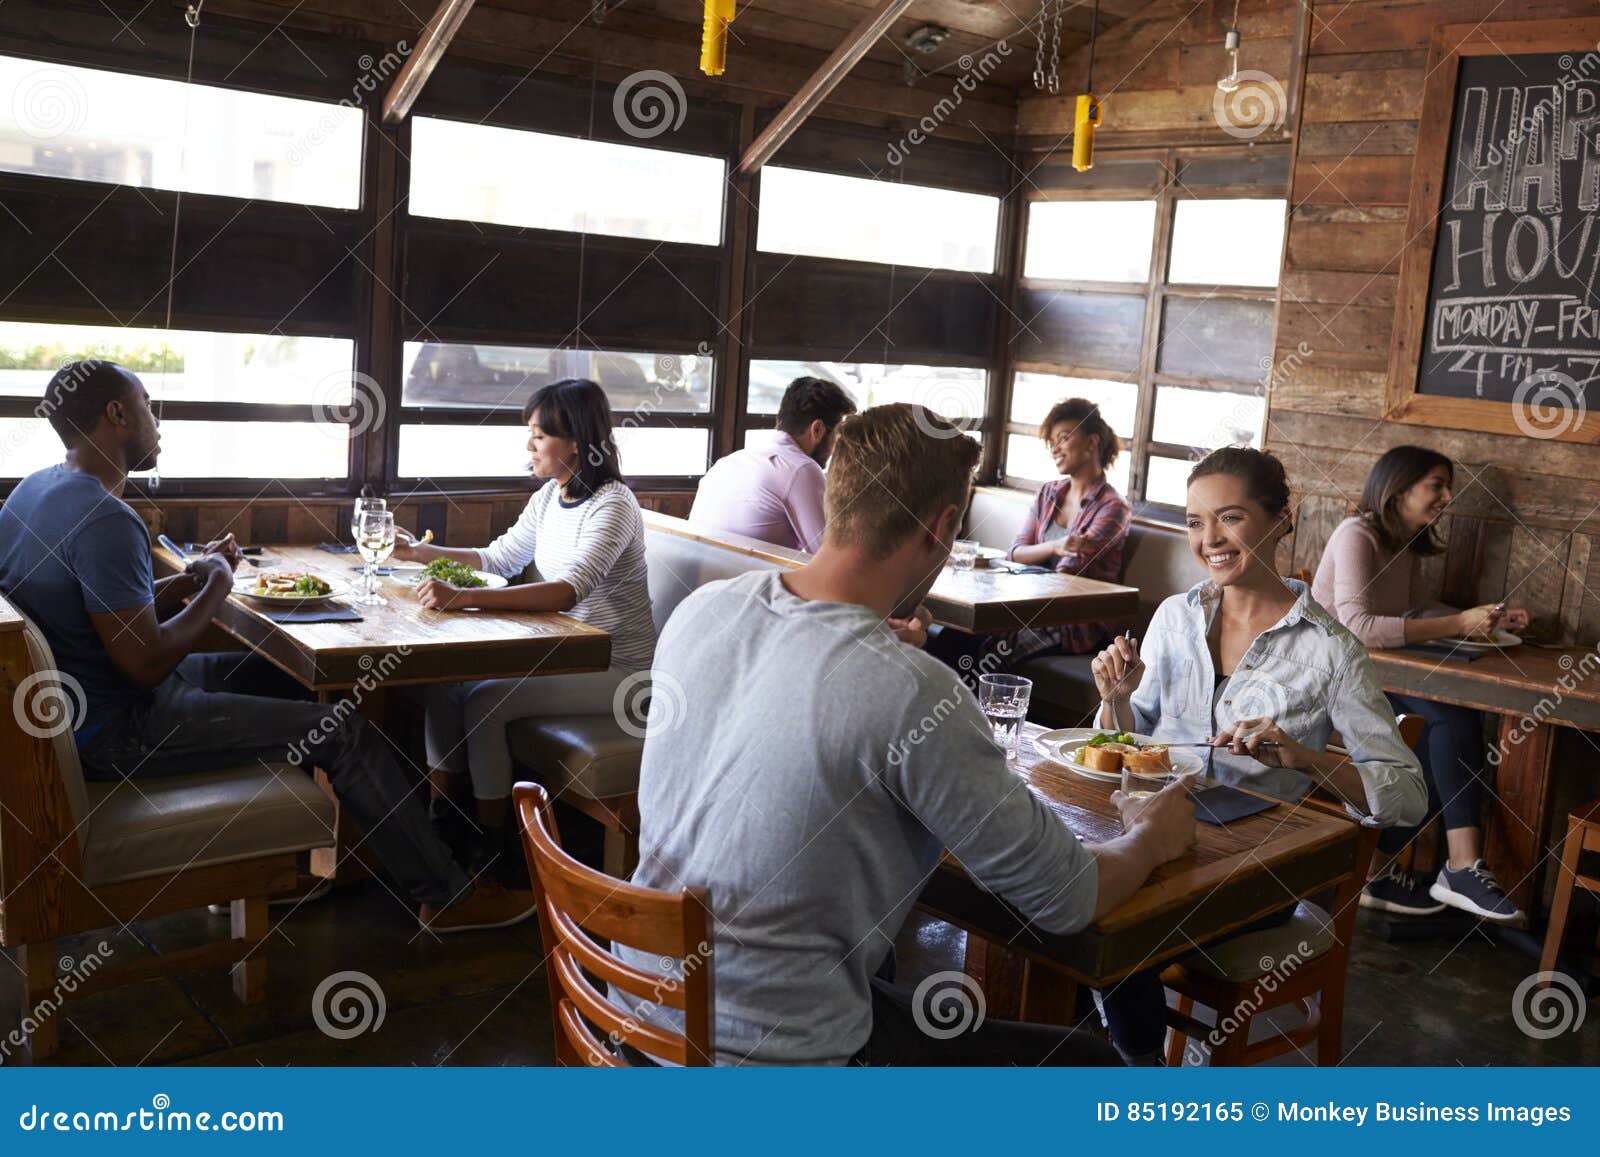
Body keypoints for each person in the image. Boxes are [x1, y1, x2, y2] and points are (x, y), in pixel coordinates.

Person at [617, 403, 1198, 1066]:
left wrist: (870, 660)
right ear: (945, 525)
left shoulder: (706, 610)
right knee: (1087, 1064)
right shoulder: (911, 689)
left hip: (636, 1012)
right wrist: (1151, 836)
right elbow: (1067, 898)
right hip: (768, 1059)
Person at [0, 361, 531, 934]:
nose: (157, 420)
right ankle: (446, 899)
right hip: (117, 731)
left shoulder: (34, 492)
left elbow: (95, 609)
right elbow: (144, 663)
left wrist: (186, 581)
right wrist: (220, 585)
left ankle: (305, 865)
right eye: (149, 405)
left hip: (80, 709)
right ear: (117, 414)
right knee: (345, 731)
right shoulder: (107, 517)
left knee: (291, 677)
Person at [1088, 446, 1426, 1062]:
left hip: (1253, 880)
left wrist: (1306, 758)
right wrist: (1116, 701)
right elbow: (1131, 740)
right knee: (1069, 896)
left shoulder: (1331, 650)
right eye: (1195, 521)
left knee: (1107, 923)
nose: (1209, 538)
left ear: (1280, 520)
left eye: (1231, 517)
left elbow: (1406, 797)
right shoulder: (1172, 617)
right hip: (1157, 842)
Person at [395, 379, 655, 871]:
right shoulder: (551, 497)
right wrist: (419, 553)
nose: (528, 445)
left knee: (486, 702)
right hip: (566, 654)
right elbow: (499, 557)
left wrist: (463, 599)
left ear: (575, 440)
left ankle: (500, 855)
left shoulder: (614, 505)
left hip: (617, 667)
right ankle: (446, 826)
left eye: (538, 435)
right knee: (444, 688)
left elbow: (566, 590)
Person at [1312, 445, 1528, 923]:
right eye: (1437, 485)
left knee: (1438, 731)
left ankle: (1381, 873)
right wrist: (1457, 625)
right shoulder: (1356, 534)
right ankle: (1461, 866)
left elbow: (1415, 609)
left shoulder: (1402, 543)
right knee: (1447, 718)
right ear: (1399, 487)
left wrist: (1485, 619)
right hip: (1331, 686)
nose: (1447, 496)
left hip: (1374, 679)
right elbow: (1360, 626)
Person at [1007, 398, 1133, 658]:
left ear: (1092, 441)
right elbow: (1015, 552)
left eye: (1063, 438)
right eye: (1052, 442)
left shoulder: (1113, 507)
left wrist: (1036, 557)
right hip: (1029, 610)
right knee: (959, 639)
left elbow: (1069, 573)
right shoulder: (1049, 492)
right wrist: (1055, 546)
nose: (1055, 448)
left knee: (996, 652)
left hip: (1074, 625)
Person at [687, 376, 856, 553]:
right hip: (746, 578)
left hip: (706, 577)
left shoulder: (728, 462)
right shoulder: (801, 468)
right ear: (817, 429)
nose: (836, 447)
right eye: (837, 435)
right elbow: (828, 555)